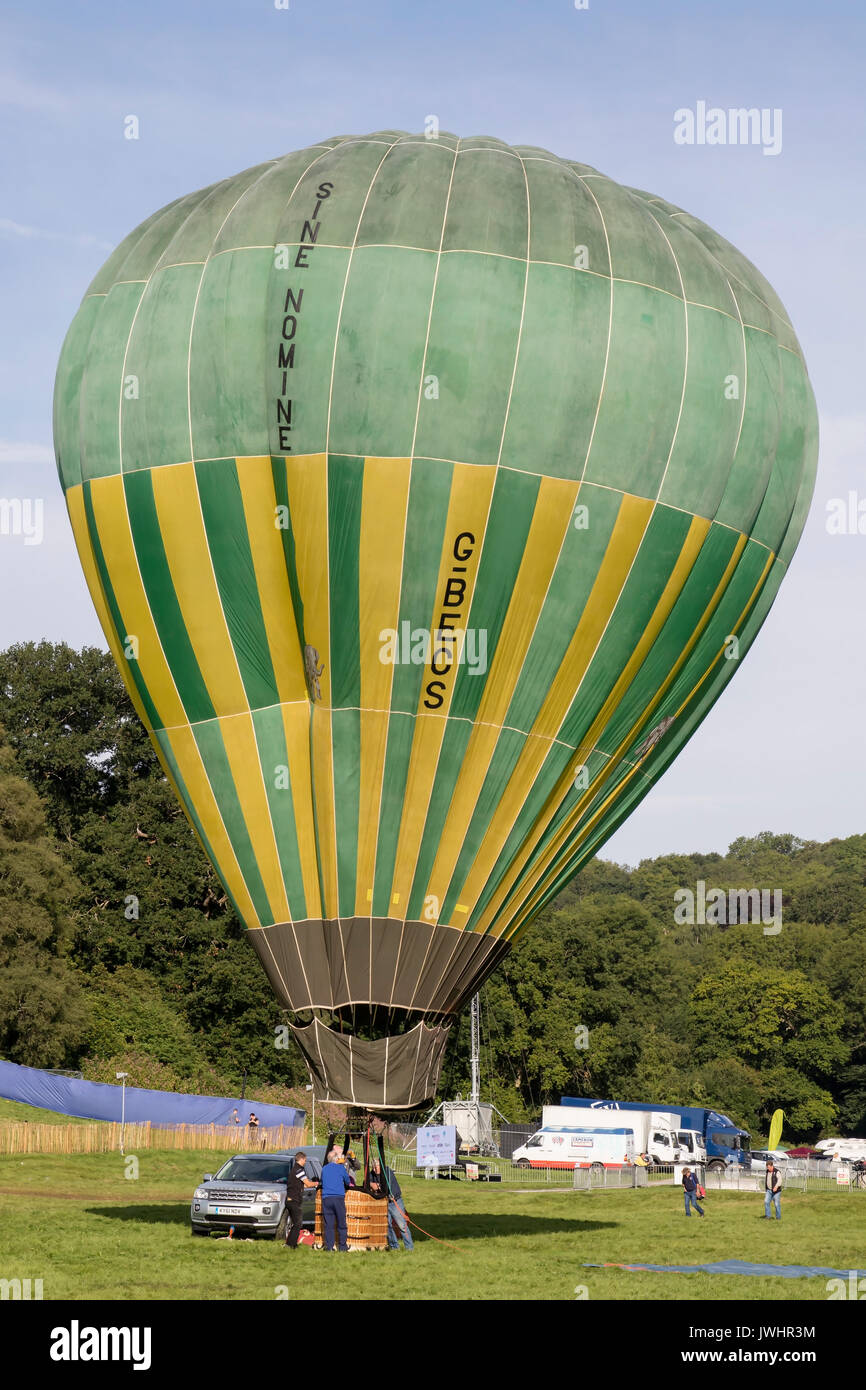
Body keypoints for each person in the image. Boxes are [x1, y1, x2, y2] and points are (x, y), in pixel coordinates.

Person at [370, 1157, 414, 1251]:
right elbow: (367, 1182)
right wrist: (370, 1184)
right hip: (383, 1203)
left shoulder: (387, 1172)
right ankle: (394, 1247)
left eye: (375, 1168)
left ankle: (409, 1248)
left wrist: (376, 1186)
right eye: (373, 1168)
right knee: (387, 1226)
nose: (374, 1170)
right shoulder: (372, 1173)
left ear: (380, 1166)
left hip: (394, 1202)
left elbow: (386, 1187)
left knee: (402, 1226)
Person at [320, 1147, 353, 1251]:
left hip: (326, 1199)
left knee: (328, 1224)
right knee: (341, 1223)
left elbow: (322, 1181)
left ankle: (329, 1247)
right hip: (338, 1198)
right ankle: (342, 1247)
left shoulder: (324, 1168)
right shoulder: (340, 1168)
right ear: (336, 1159)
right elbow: (347, 1181)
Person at [284, 1151, 314, 1248]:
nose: (305, 1162)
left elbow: (303, 1185)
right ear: (301, 1159)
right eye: (305, 1160)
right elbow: (308, 1184)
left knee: (295, 1224)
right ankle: (291, 1244)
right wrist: (317, 1183)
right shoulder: (299, 1170)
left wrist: (310, 1184)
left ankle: (290, 1243)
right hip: (294, 1200)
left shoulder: (294, 1170)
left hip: (290, 1200)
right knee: (298, 1224)